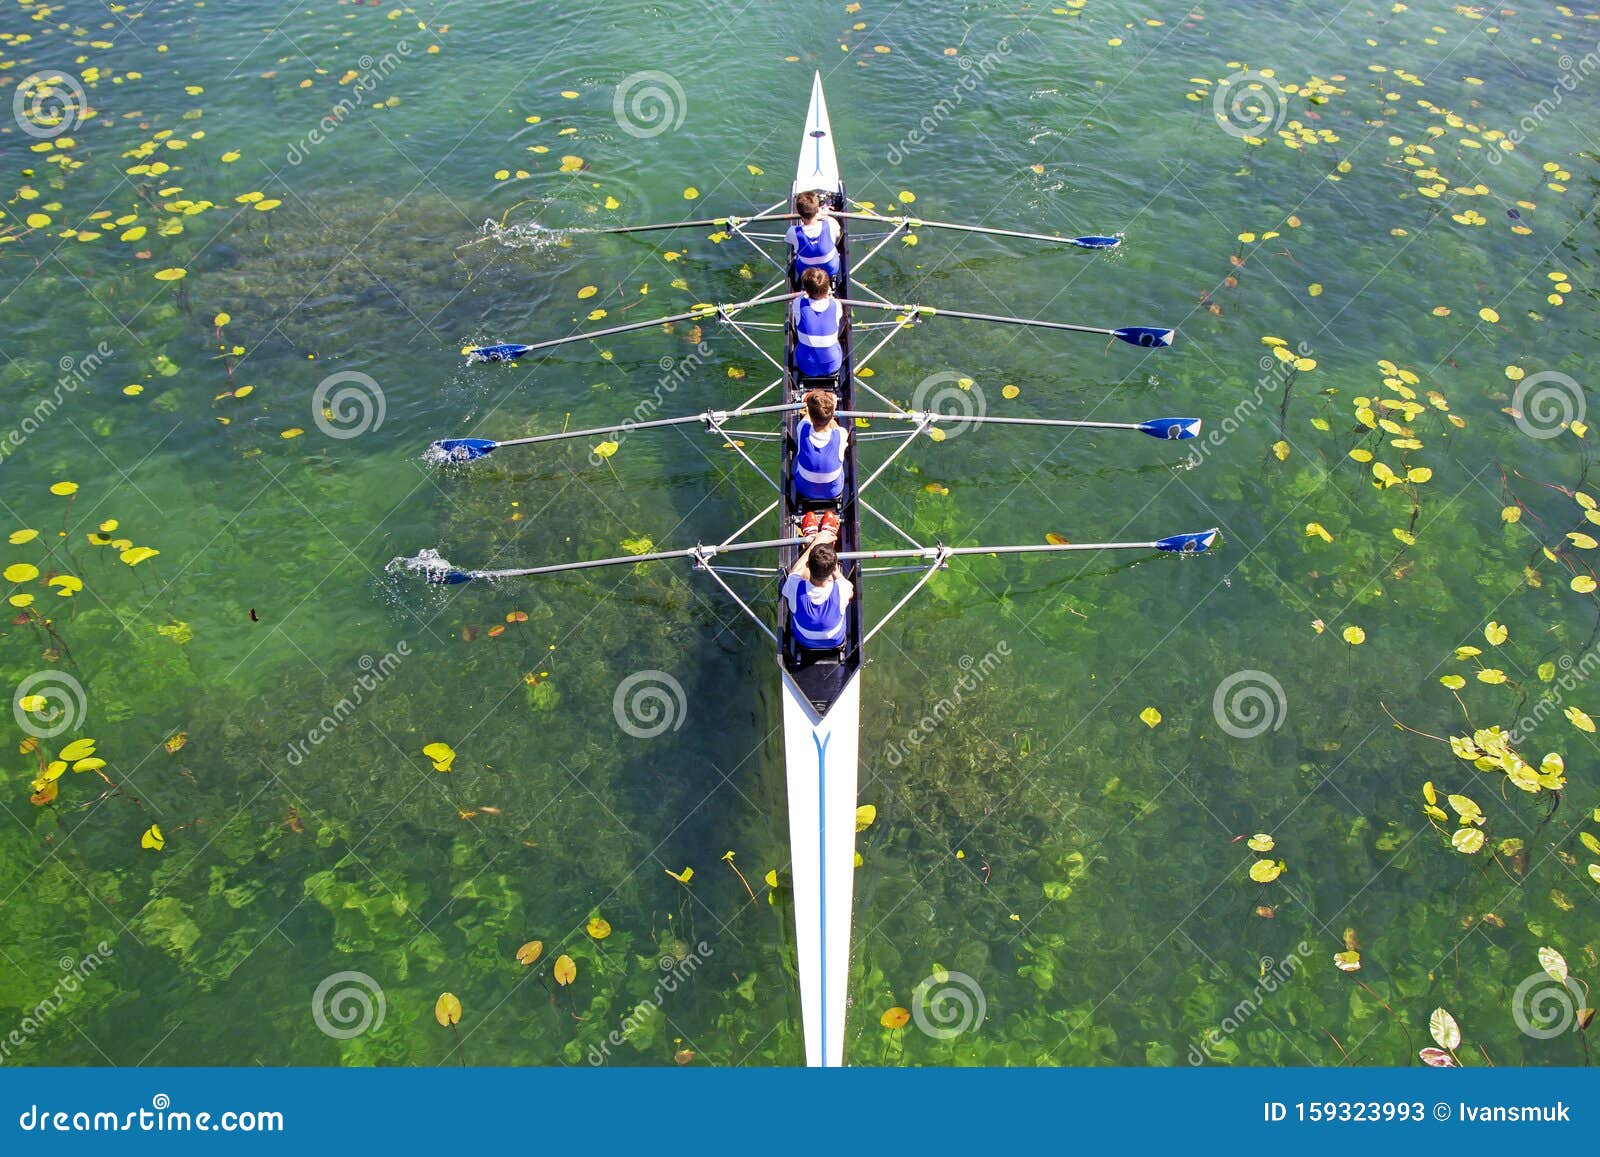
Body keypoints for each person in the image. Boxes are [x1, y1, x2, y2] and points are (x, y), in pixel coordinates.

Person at [783, 531, 853, 651]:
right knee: (842, 592)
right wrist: (834, 570)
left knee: (802, 576)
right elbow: (851, 592)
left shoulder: (794, 586)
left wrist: (817, 541)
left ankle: (812, 536)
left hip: (803, 642)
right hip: (835, 644)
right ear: (834, 568)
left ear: (807, 564)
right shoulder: (842, 588)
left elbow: (795, 573)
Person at [793, 387, 848, 504]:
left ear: (809, 414)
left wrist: (809, 407)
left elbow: (807, 417)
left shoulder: (802, 428)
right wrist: (831, 412)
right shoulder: (841, 434)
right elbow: (834, 426)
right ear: (832, 415)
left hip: (803, 490)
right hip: (833, 492)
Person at [790, 267, 844, 379]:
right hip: (832, 365)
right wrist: (830, 297)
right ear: (828, 289)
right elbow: (831, 302)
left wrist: (806, 294)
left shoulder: (798, 303)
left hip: (805, 366)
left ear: (805, 289)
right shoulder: (836, 304)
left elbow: (801, 298)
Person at [786, 190, 841, 283]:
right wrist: (824, 216)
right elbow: (838, 235)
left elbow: (791, 242)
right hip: (830, 269)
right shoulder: (831, 222)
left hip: (805, 272)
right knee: (835, 237)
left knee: (796, 248)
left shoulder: (792, 232)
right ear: (818, 209)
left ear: (799, 213)